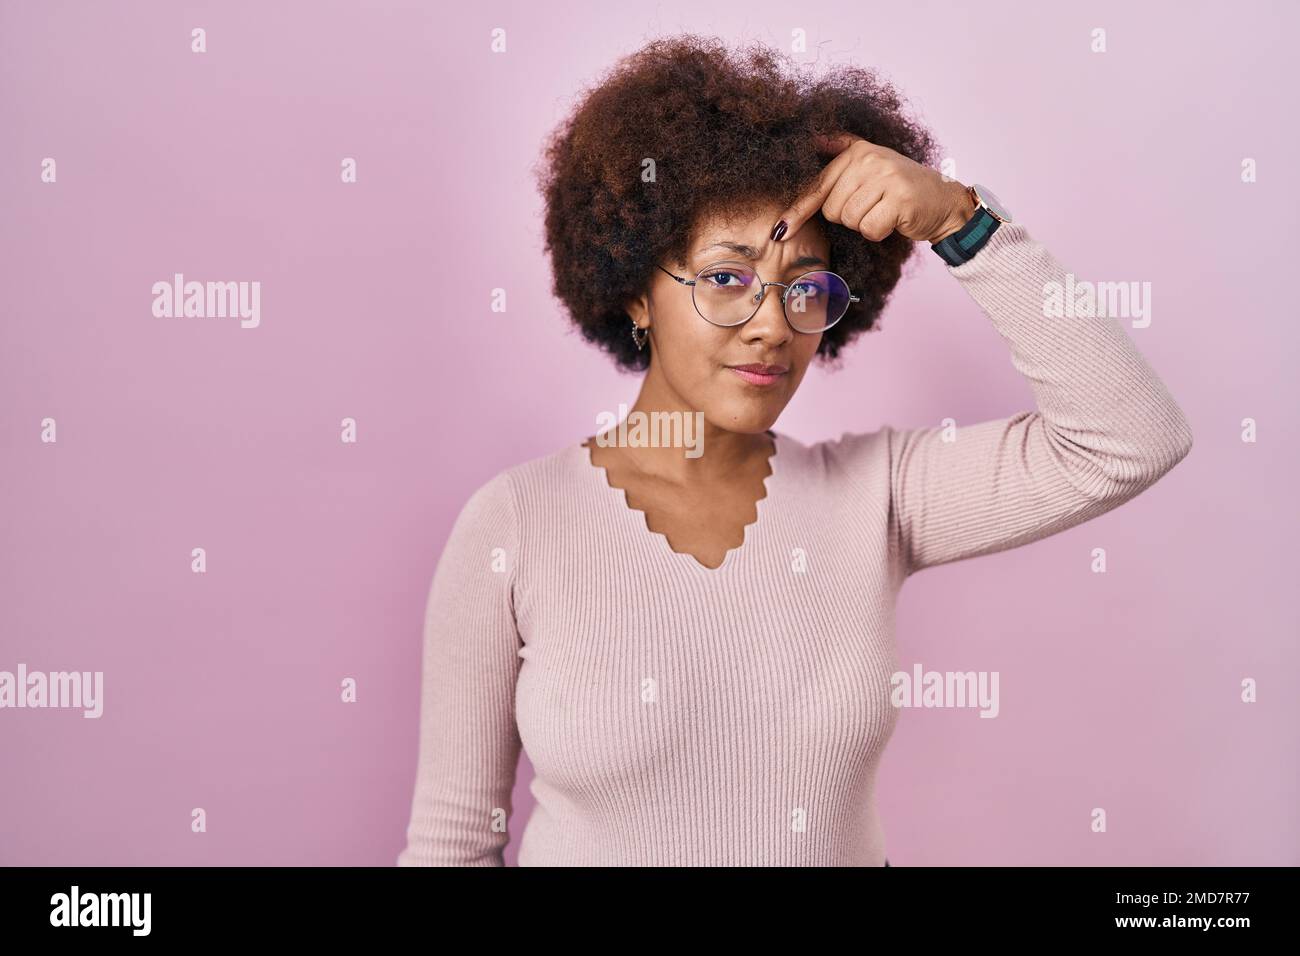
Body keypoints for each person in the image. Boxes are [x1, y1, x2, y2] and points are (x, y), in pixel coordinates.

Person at [396, 36, 1192, 866]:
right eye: (727, 278)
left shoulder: (874, 496)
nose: (774, 323)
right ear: (636, 290)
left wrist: (964, 222)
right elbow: (453, 844)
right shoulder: (515, 525)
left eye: (806, 287)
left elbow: (1130, 437)